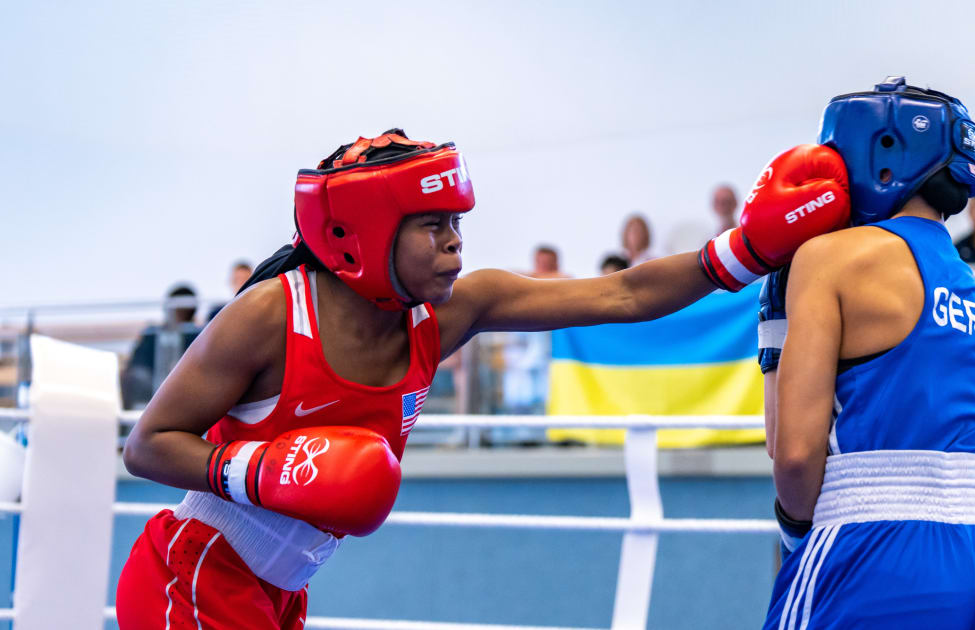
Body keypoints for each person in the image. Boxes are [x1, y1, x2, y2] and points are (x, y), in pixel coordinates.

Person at [115, 129, 849, 629]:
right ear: (367, 232)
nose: (455, 243)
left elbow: (622, 296)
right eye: (432, 225)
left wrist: (743, 250)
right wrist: (262, 469)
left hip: (280, 588)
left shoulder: (455, 311)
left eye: (457, 223)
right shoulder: (272, 315)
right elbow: (146, 444)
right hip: (194, 572)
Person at [760, 77, 975, 629]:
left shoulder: (829, 258)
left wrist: (796, 530)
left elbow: (792, 454)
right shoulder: (965, 280)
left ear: (878, 150)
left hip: (874, 550)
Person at [120, 283, 203, 409]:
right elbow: (135, 368)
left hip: (184, 392)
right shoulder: (152, 334)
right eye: (175, 307)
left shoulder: (197, 335)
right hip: (150, 391)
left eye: (182, 308)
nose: (177, 312)